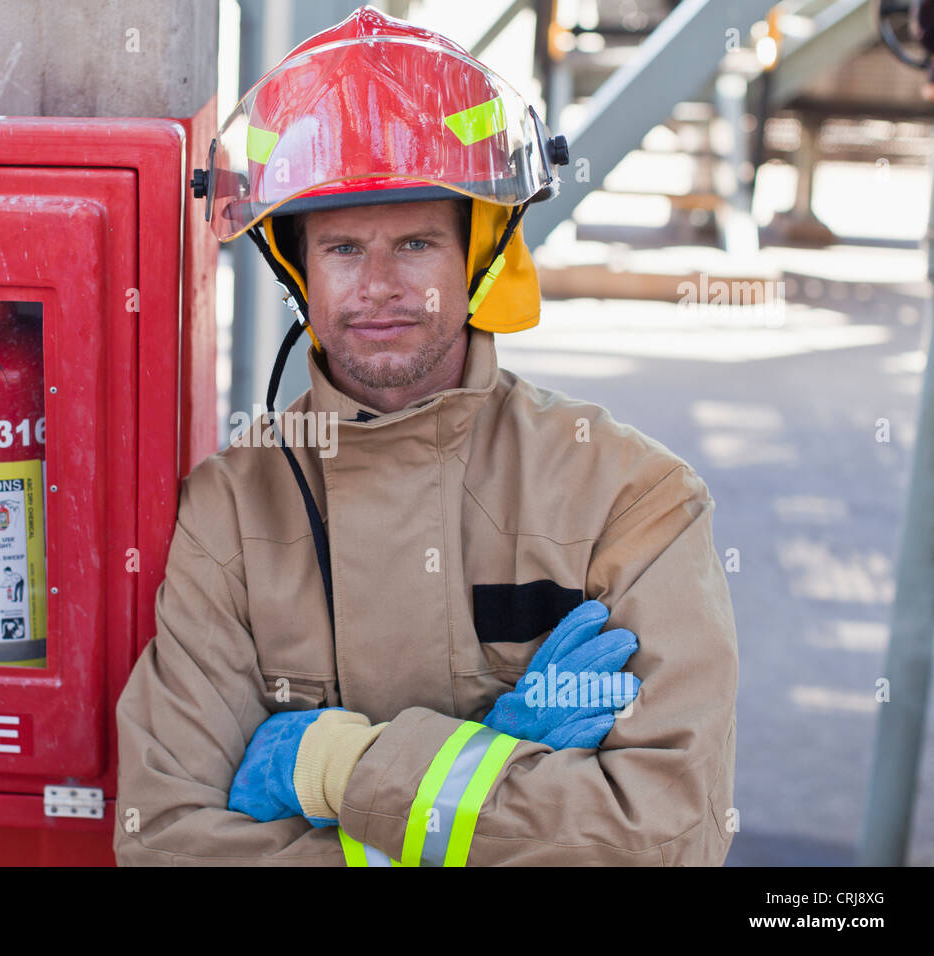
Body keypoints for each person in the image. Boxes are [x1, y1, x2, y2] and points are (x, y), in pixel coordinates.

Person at [113, 5, 737, 866]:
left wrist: (335, 772)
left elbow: (665, 834)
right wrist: (493, 777)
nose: (378, 287)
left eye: (414, 242)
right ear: (297, 268)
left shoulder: (628, 499)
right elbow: (168, 841)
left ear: (475, 257)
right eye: (340, 248)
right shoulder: (228, 515)